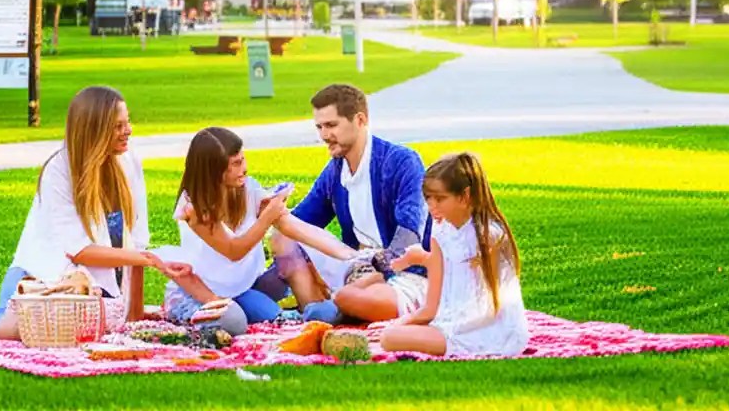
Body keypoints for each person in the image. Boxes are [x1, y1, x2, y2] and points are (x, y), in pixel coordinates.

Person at [0, 86, 192, 340]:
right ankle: (1, 316)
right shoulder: (59, 171)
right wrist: (151, 260)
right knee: (16, 331)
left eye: (127, 122)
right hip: (41, 276)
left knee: (85, 329)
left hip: (89, 289)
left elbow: (136, 243)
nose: (128, 131)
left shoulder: (128, 162)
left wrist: (135, 314)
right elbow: (80, 250)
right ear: (95, 130)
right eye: (118, 126)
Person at [162, 127, 356, 335]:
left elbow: (291, 225)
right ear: (214, 170)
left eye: (243, 159)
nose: (244, 168)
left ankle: (316, 308)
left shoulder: (245, 189)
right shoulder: (193, 208)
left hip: (244, 287)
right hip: (204, 293)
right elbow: (233, 251)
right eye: (236, 164)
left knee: (287, 250)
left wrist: (350, 256)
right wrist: (267, 217)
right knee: (236, 322)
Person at [265, 83, 429, 324]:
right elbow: (300, 222)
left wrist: (377, 269)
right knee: (282, 238)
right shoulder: (335, 171)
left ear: (360, 120)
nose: (323, 135)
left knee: (361, 299)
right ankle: (317, 313)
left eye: (331, 125)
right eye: (319, 127)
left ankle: (338, 310)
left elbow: (410, 235)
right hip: (353, 265)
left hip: (401, 272)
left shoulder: (401, 162)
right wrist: (272, 212)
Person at [377, 152, 528, 357]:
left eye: (440, 199)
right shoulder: (440, 232)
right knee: (390, 335)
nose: (431, 207)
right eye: (428, 199)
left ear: (464, 197)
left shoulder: (488, 237)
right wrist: (400, 324)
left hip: (486, 331)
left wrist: (443, 329)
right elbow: (431, 307)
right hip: (448, 323)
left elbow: (490, 308)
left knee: (391, 339)